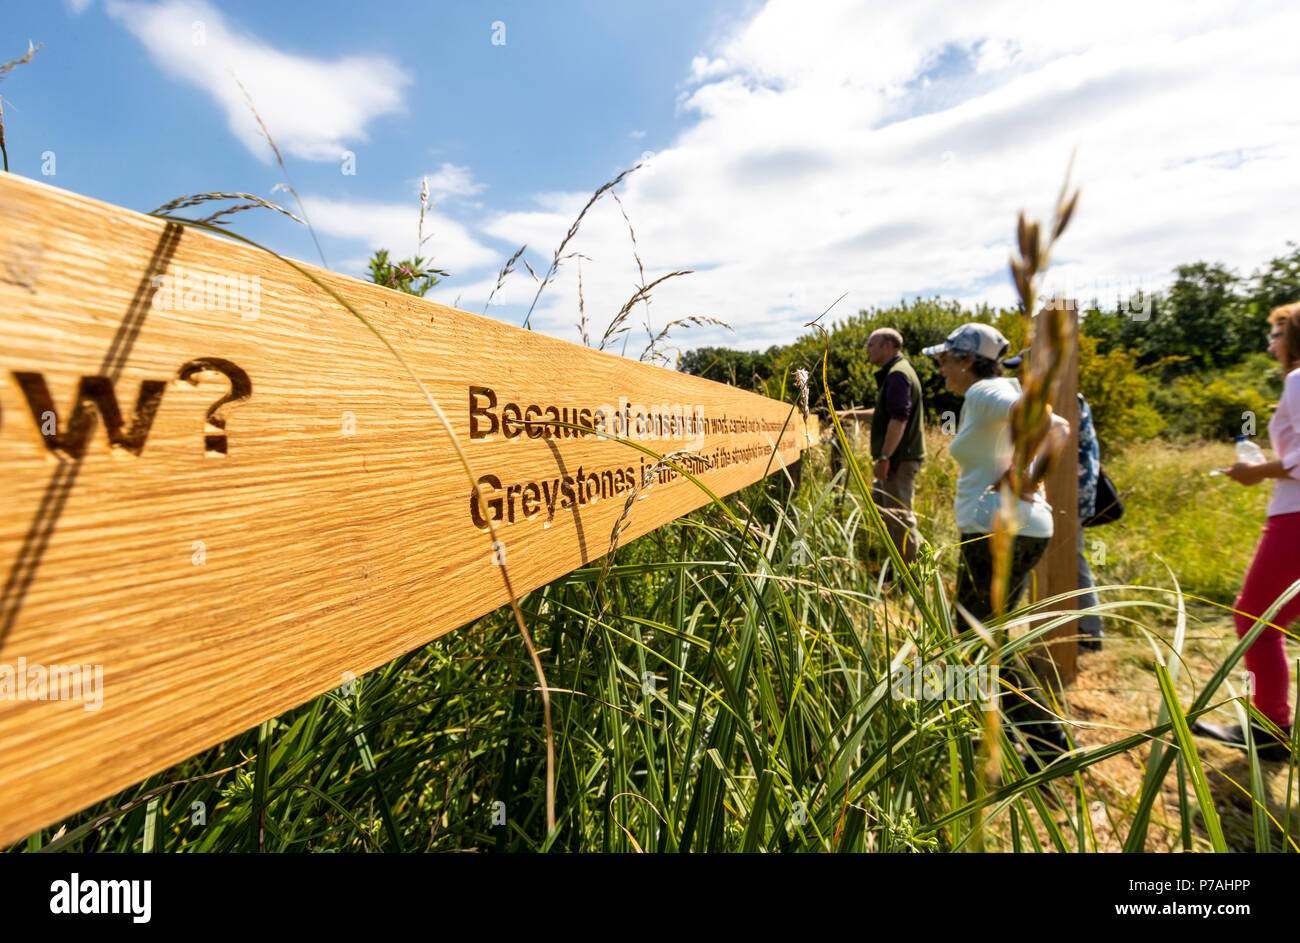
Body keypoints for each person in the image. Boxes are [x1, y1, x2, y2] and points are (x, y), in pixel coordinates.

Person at [923, 323, 1071, 763]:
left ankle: (1049, 744)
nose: (940, 368)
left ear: (967, 360)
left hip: (997, 532)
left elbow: (1054, 424)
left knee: (980, 639)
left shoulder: (983, 392)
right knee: (992, 637)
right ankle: (1013, 734)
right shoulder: (994, 392)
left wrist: (1029, 476)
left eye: (944, 359)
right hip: (1019, 529)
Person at [1193, 302, 1300, 761]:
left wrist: (1258, 471)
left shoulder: (1298, 380)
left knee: (1255, 618)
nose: (1271, 345)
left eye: (1275, 335)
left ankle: (1271, 729)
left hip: (1294, 517)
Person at [1004, 349, 1104, 651]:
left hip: (1070, 493)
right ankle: (1061, 626)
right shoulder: (1045, 400)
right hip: (1061, 491)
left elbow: (1056, 444)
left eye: (1024, 370)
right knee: (1057, 559)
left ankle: (1089, 633)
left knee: (1070, 559)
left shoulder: (1065, 399)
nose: (1019, 376)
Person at [865, 328, 926, 577]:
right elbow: (885, 413)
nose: (867, 349)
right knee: (882, 506)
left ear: (888, 345)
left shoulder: (898, 375)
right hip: (898, 458)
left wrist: (884, 458)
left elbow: (899, 419)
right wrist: (847, 415)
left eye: (872, 344)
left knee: (901, 520)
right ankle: (898, 567)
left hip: (898, 460)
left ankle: (911, 580)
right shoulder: (897, 372)